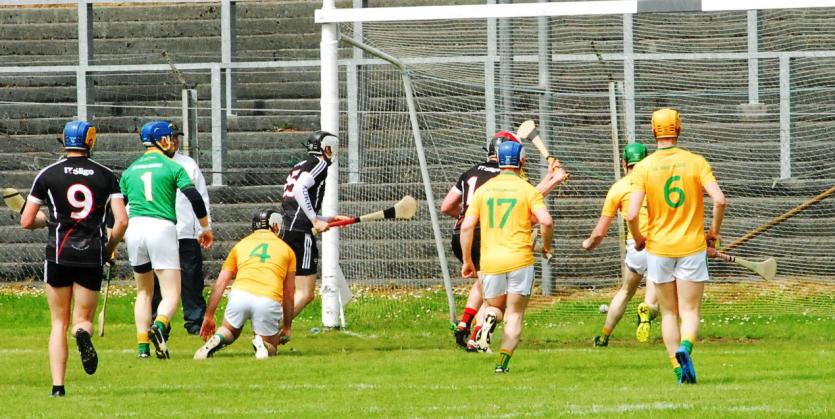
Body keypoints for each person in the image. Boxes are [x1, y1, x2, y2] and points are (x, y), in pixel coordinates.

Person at [21, 120, 128, 397]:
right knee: (83, 320)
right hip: (90, 255)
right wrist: (108, 248)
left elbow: (26, 220)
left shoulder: (47, 174)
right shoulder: (106, 175)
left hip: (58, 253)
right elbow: (122, 221)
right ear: (91, 140)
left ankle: (58, 387)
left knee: (58, 322)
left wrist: (51, 220)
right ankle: (83, 334)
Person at [626, 108, 726, 384]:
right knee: (690, 311)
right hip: (692, 247)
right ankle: (687, 348)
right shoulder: (696, 162)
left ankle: (678, 369)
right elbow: (719, 200)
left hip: (659, 249)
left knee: (668, 312)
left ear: (653, 131)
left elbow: (632, 214)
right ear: (678, 129)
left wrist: (637, 239)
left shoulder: (644, 167)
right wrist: (713, 233)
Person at [440, 130, 565, 350]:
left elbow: (446, 206)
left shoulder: (470, 172)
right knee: (500, 302)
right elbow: (526, 200)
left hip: (460, 235)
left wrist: (551, 178)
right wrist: (553, 180)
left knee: (482, 283)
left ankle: (465, 324)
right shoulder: (504, 177)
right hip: (492, 238)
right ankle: (475, 336)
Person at [120, 120, 213, 359]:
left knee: (143, 292)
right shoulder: (173, 166)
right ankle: (160, 326)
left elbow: (119, 208)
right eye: (170, 137)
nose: (173, 141)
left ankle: (143, 348)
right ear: (162, 140)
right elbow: (196, 197)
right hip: (162, 230)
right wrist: (205, 227)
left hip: (134, 230)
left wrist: (112, 241)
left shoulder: (130, 169)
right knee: (172, 292)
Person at [460, 140, 554, 373]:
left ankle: (488, 321)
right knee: (514, 313)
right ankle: (502, 363)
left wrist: (467, 261)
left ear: (499, 161)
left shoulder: (484, 191)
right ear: (521, 161)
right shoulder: (528, 190)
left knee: (494, 307)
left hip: (491, 261)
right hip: (520, 260)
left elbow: (466, 227)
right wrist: (546, 246)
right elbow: (546, 220)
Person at [582, 142, 658, 346]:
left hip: (635, 247)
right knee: (656, 298)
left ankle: (604, 336)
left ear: (624, 163)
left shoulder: (618, 188)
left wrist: (589, 243)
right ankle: (646, 312)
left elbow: (600, 231)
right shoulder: (657, 183)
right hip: (659, 245)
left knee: (625, 291)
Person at [194, 209, 295, 360]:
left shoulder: (240, 245)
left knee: (229, 330)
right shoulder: (287, 250)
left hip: (239, 295)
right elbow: (288, 294)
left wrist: (209, 315)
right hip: (268, 298)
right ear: (276, 226)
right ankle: (262, 343)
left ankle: (217, 339)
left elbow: (221, 283)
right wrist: (287, 326)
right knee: (272, 348)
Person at [279, 130, 349, 319]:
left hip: (286, 228)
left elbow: (294, 202)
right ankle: (270, 331)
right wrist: (315, 220)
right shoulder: (320, 164)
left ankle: (268, 331)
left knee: (288, 290)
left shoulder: (300, 164)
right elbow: (300, 189)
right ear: (326, 148)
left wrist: (327, 218)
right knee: (305, 293)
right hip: (301, 232)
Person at [151, 130, 211, 336]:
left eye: (177, 137)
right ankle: (157, 323)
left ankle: (195, 322)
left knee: (191, 279)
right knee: (157, 281)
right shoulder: (150, 165)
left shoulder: (188, 164)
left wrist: (205, 227)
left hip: (185, 232)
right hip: (158, 233)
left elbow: (201, 197)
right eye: (171, 137)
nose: (174, 141)